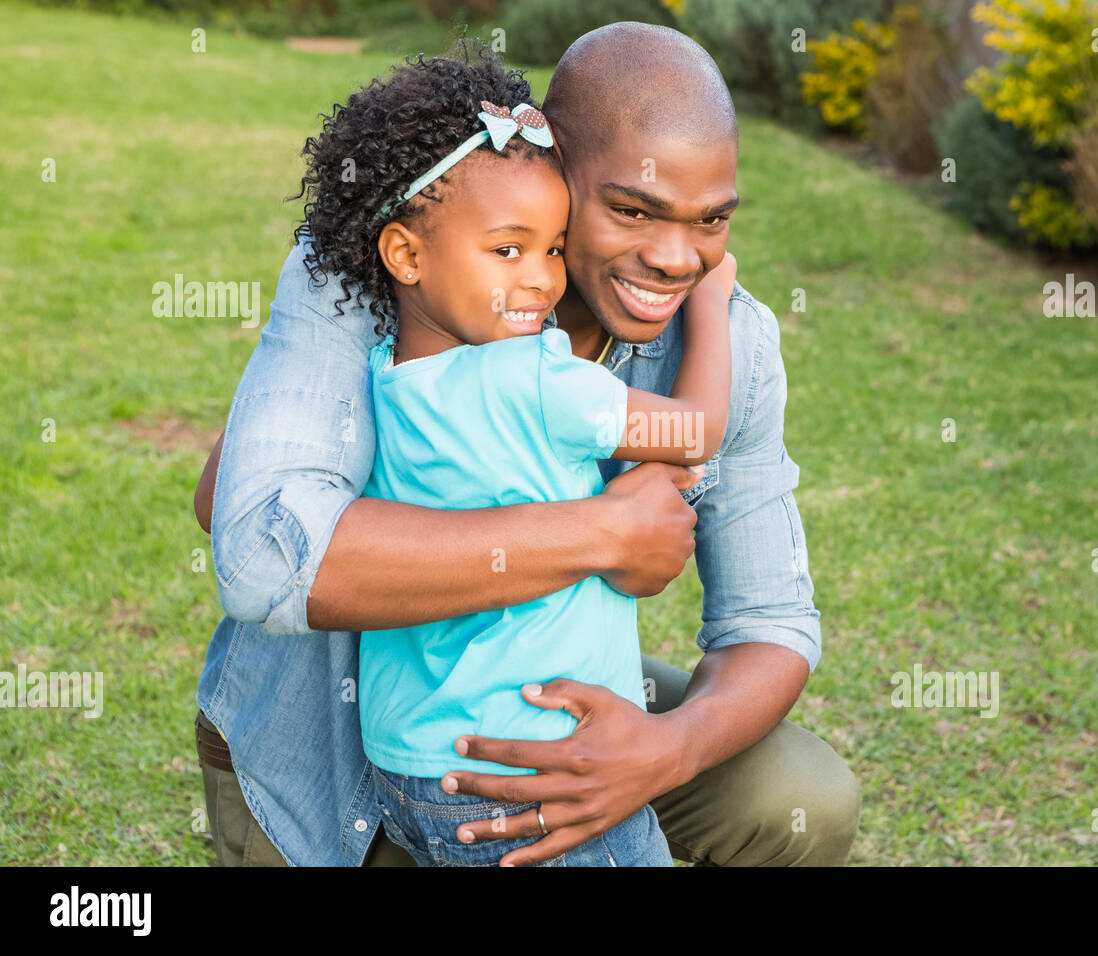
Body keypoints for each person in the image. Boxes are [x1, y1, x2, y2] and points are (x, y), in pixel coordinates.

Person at [194, 22, 860, 868]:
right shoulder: (383, 261)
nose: (672, 258)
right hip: (325, 749)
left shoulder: (725, 339)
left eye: (711, 222)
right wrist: (603, 533)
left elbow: (770, 621)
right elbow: (255, 541)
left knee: (801, 799)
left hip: (523, 702)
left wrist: (667, 749)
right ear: (549, 166)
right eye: (630, 209)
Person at [295, 48, 735, 865]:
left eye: (554, 250)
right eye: (509, 251)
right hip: (538, 759)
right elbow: (694, 430)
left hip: (412, 761)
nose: (539, 282)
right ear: (406, 255)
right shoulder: (534, 374)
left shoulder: (378, 377)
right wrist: (713, 307)